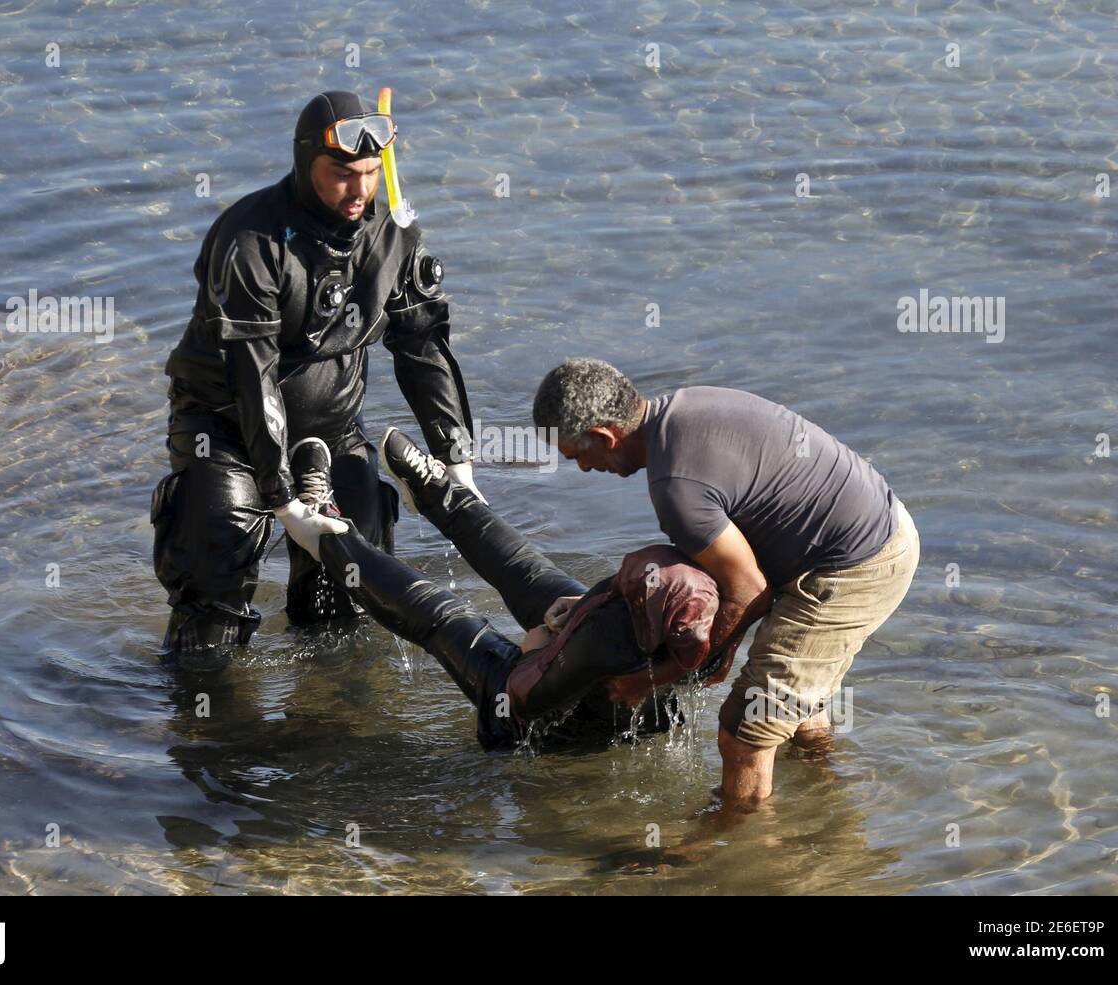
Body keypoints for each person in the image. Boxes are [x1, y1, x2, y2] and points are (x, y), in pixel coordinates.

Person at [151, 90, 483, 660]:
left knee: (348, 606)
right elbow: (252, 377)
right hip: (226, 428)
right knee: (214, 607)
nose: (359, 191)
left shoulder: (393, 233)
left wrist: (458, 464)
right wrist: (284, 502)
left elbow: (422, 347)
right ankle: (206, 732)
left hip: (332, 428)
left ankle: (329, 730)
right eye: (341, 174)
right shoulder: (250, 239)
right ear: (306, 164)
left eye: (370, 173)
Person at [532, 358, 921, 806]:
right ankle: (825, 794)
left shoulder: (675, 485)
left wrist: (661, 677)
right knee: (796, 698)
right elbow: (714, 562)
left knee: (746, 725)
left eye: (578, 456)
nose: (582, 469)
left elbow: (749, 590)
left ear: (605, 436)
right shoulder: (688, 407)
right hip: (880, 527)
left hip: (852, 568)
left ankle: (729, 847)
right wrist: (597, 597)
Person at [277, 428, 741, 750]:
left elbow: (526, 685)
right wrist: (581, 607)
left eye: (626, 583)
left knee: (442, 616)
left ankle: (324, 531)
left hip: (525, 716)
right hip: (609, 693)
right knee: (539, 578)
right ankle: (444, 497)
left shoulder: (600, 641)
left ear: (638, 606)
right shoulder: (708, 630)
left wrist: (541, 642)